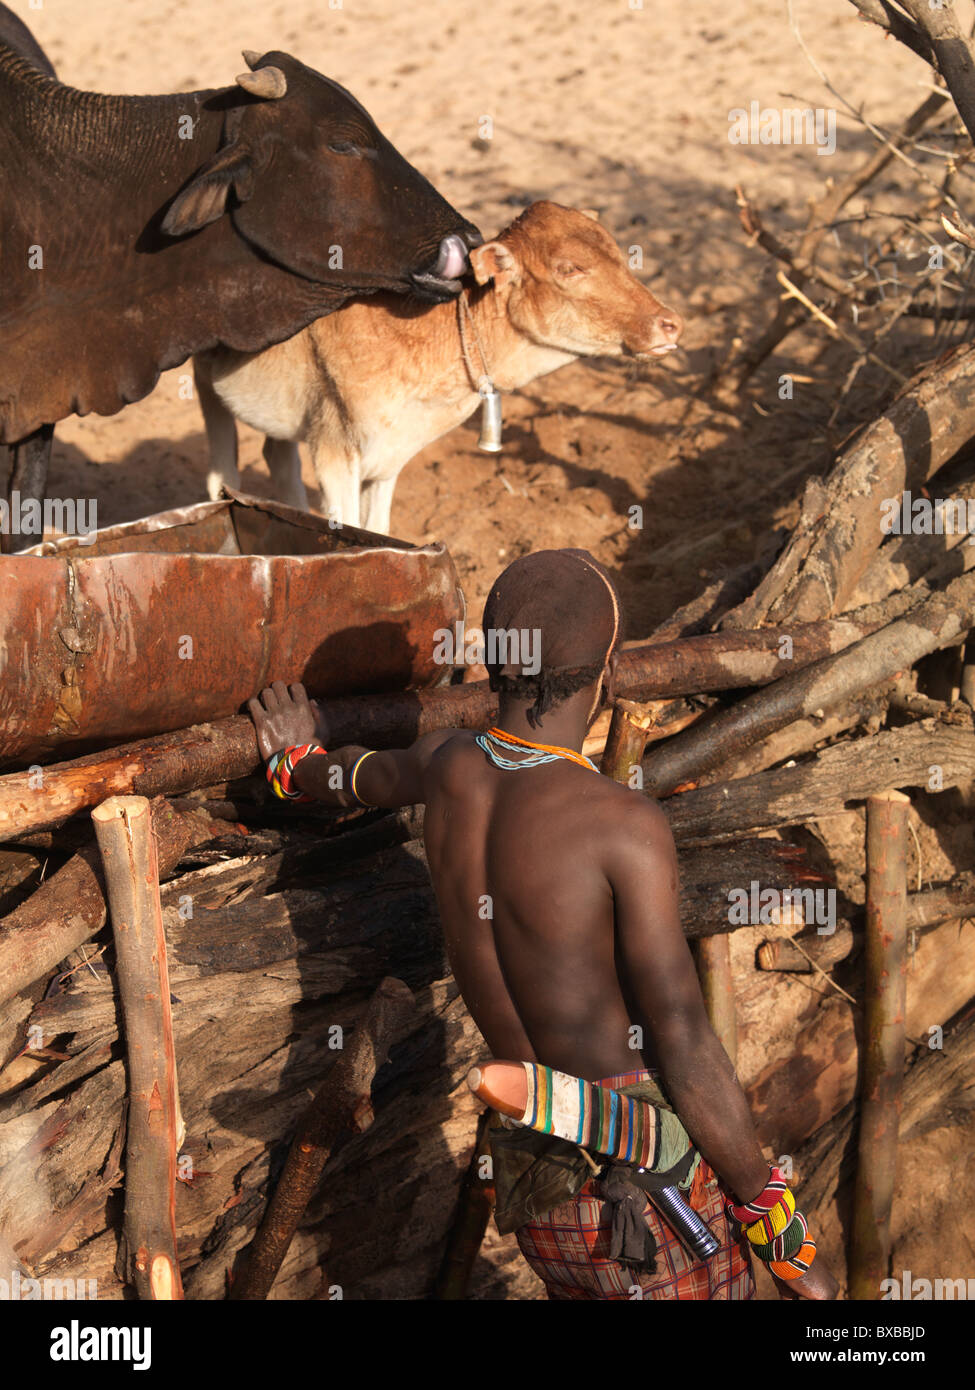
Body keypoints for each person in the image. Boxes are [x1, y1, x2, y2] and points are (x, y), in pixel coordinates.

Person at [247, 547, 837, 1301]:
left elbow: (337, 777)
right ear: (610, 673)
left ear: (495, 668)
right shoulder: (622, 825)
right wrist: (780, 1234)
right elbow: (684, 1038)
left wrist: (289, 753)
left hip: (543, 1200)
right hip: (646, 1193)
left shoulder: (444, 766)